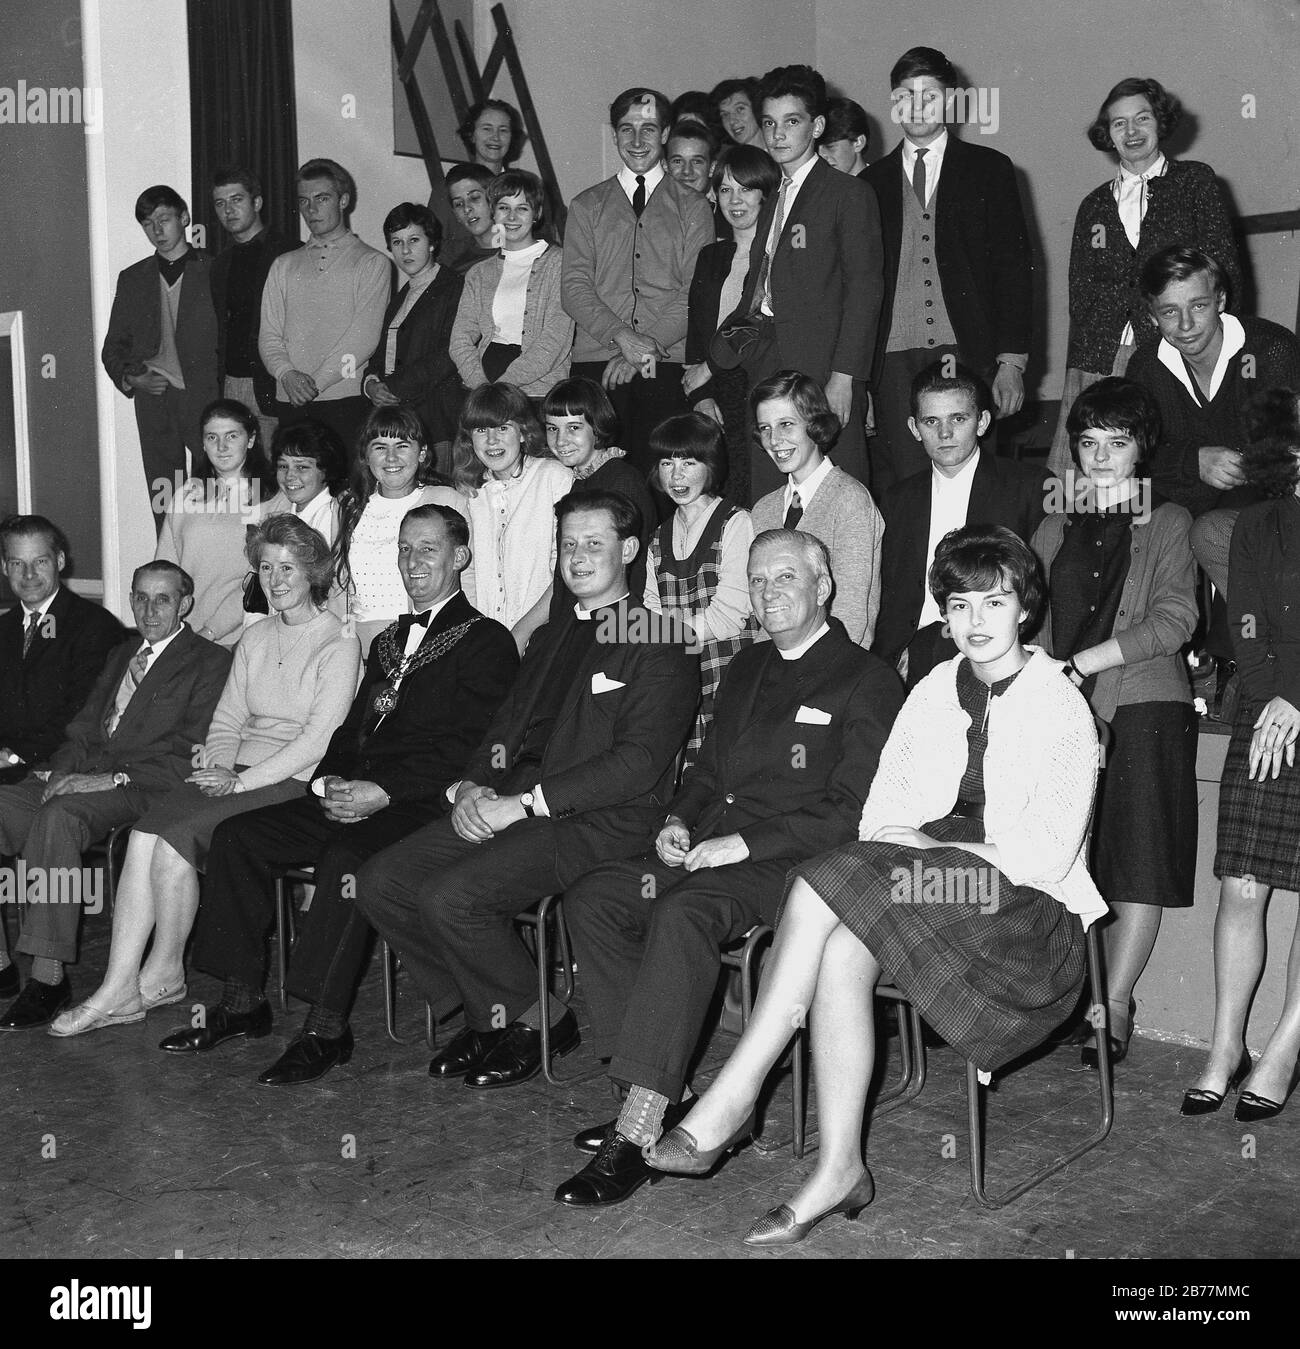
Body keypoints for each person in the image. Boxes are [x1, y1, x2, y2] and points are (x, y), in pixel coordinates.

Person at [645, 526, 1105, 1247]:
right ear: (944, 615)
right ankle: (839, 1167)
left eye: (993, 601)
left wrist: (933, 850)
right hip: (919, 888)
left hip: (1020, 914)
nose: (975, 621)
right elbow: (881, 813)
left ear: (1025, 607)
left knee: (828, 881)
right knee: (840, 947)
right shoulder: (930, 691)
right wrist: (916, 850)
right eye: (958, 605)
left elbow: (1047, 854)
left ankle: (734, 1094)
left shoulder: (1061, 705)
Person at [555, 529, 903, 1207]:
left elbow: (849, 810)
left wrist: (739, 846)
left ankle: (637, 1129)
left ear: (823, 586)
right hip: (709, 846)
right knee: (596, 895)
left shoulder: (866, 679)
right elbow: (706, 772)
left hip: (792, 870)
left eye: (786, 578)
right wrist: (678, 819)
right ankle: (650, 1093)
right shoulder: (746, 666)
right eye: (759, 580)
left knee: (683, 912)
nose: (771, 594)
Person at [157, 505, 519, 1080]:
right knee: (236, 836)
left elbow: (467, 750)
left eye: (429, 548)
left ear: (461, 558)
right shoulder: (388, 642)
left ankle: (326, 1031)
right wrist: (329, 779)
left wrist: (383, 790)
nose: (414, 560)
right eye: (405, 548)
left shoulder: (487, 642)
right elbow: (349, 729)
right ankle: (239, 1003)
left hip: (423, 802)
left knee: (347, 858)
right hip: (354, 791)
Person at [354, 487, 698, 1089]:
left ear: (632, 550)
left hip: (600, 818)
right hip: (514, 802)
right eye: (568, 545)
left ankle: (538, 1019)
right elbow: (506, 728)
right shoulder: (555, 635)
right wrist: (469, 786)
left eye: (595, 543)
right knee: (385, 881)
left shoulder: (658, 635)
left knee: (452, 897)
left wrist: (525, 804)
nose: (579, 557)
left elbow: (638, 763)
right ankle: (493, 1015)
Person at [47, 516, 359, 1037]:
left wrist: (240, 781)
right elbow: (228, 718)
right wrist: (218, 764)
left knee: (171, 841)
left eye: (288, 568)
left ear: (313, 574)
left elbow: (318, 741)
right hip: (231, 771)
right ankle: (124, 982)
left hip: (290, 778)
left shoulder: (338, 641)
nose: (275, 580)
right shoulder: (256, 636)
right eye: (265, 567)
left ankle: (159, 973)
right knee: (146, 832)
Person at [1033, 377, 1198, 1066]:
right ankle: (1069, 1001)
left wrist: (1083, 662)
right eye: (1089, 442)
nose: (1100, 458)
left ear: (1141, 449)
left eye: (1117, 443)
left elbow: (1176, 618)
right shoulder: (1053, 519)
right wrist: (1044, 673)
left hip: (1143, 704)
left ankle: (1117, 1007)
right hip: (1063, 707)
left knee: (1135, 861)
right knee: (1072, 858)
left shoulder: (1169, 520)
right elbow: (1026, 611)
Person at [0, 562, 230, 1027]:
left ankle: (48, 976)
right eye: (140, 597)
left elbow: (192, 751)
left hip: (147, 788)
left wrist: (111, 780)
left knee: (60, 818)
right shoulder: (123, 651)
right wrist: (58, 774)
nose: (149, 609)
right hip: (85, 776)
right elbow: (83, 728)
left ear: (185, 604)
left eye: (162, 599)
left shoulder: (210, 660)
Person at [1181, 413, 1300, 1123]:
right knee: (1244, 883)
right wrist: (1271, 701)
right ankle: (1227, 1047)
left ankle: (1284, 1049)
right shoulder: (1260, 522)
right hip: (1267, 711)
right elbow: (1248, 622)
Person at [1048, 78, 1241, 480]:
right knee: (1091, 474)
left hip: (1172, 348)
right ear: (1108, 134)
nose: (1131, 132)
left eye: (1142, 118)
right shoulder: (1094, 205)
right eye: (1119, 124)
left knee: (1158, 466)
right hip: (1102, 357)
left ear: (1160, 122)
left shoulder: (1195, 182)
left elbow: (1225, 275)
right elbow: (1079, 295)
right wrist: (1080, 368)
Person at [862, 47, 1034, 495]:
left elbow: (1016, 270)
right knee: (907, 486)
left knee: (979, 483)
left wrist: (1011, 361)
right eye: (905, 95)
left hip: (969, 349)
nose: (917, 107)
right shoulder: (868, 185)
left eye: (930, 95)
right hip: (892, 362)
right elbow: (858, 288)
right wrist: (860, 378)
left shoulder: (990, 169)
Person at [712, 64, 883, 496]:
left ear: (817, 125)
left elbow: (865, 292)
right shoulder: (772, 197)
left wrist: (845, 377)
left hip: (824, 366)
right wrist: (727, 347)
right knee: (772, 489)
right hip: (769, 363)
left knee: (834, 490)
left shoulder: (848, 193)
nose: (777, 135)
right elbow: (760, 285)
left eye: (792, 122)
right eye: (769, 123)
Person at [1126, 245, 1300, 598]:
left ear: (1221, 300)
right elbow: (1133, 453)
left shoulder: (1270, 349)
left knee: (1215, 531)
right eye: (1170, 311)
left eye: (1198, 306)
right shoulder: (1145, 366)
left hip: (1268, 498)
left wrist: (1218, 464)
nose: (1186, 325)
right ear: (1151, 317)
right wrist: (1194, 461)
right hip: (1186, 498)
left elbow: (1281, 458)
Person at [562, 87, 715, 480]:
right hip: (598, 363)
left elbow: (694, 292)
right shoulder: (586, 205)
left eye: (648, 129)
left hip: (665, 363)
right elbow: (575, 287)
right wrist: (622, 339)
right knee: (598, 480)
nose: (637, 140)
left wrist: (644, 347)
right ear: (614, 134)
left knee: (662, 478)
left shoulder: (694, 207)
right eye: (626, 128)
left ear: (665, 134)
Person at [874, 362, 1047, 686]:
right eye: (931, 421)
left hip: (996, 652)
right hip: (907, 658)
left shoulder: (1028, 487)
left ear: (981, 422)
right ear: (914, 428)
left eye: (958, 418)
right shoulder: (897, 499)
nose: (944, 433)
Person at [644, 413, 758, 762]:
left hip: (729, 673)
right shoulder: (658, 537)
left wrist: (662, 631)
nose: (676, 476)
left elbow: (728, 618)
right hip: (680, 676)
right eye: (667, 463)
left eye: (689, 463)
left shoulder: (737, 522)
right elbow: (649, 609)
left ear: (711, 466)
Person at [101, 185, 219, 521]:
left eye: (164, 219)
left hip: (206, 399)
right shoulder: (133, 278)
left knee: (213, 495)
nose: (157, 230)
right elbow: (113, 347)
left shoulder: (214, 269)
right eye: (148, 223)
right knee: (164, 498)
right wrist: (134, 377)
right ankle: (168, 569)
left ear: (183, 217)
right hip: (154, 400)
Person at [259, 158, 390, 450]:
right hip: (290, 397)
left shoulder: (372, 262)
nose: (311, 209)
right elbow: (268, 334)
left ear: (343, 200)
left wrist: (315, 383)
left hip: (344, 399)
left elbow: (364, 337)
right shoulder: (283, 265)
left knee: (346, 491)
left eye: (322, 198)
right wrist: (286, 374)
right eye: (304, 201)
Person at [748, 371, 884, 647]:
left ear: (815, 425)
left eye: (786, 424)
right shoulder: (764, 509)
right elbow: (763, 608)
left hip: (835, 667)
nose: (774, 440)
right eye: (765, 428)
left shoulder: (849, 499)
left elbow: (851, 615)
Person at [683, 144, 782, 504]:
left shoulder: (779, 253)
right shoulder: (711, 256)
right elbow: (696, 337)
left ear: (766, 194)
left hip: (762, 385)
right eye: (726, 189)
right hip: (715, 392)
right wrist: (702, 397)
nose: (735, 200)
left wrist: (709, 369)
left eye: (746, 189)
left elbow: (758, 319)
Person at [0, 516, 126, 787]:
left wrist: (14, 755)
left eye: (40, 562)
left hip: (58, 769)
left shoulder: (93, 625)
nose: (29, 574)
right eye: (17, 563)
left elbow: (81, 713)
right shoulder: (4, 627)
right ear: (4, 567)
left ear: (59, 561)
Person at [451, 382, 574, 652]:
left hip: (546, 636)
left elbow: (566, 571)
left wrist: (521, 632)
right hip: (487, 641)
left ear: (522, 432)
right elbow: (467, 575)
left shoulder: (554, 478)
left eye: (503, 428)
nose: (492, 441)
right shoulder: (470, 494)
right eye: (481, 430)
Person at [335, 407, 461, 656]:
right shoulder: (348, 506)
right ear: (366, 456)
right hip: (358, 642)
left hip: (427, 638)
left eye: (402, 446)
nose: (391, 458)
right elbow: (336, 587)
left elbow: (467, 576)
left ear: (422, 453)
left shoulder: (447, 500)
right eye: (380, 447)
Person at [155, 398, 276, 648]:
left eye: (232, 436)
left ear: (250, 440)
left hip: (240, 635)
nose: (221, 447)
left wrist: (211, 632)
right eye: (212, 437)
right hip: (184, 634)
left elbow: (260, 581)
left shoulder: (272, 500)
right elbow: (164, 569)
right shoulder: (187, 493)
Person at [449, 170, 573, 399]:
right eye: (504, 207)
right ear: (493, 213)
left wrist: (503, 388)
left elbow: (555, 340)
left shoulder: (560, 263)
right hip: (482, 387)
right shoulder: (479, 273)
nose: (512, 217)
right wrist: (481, 386)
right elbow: (459, 340)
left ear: (537, 213)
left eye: (522, 208)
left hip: (537, 391)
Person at [363, 202, 466, 475]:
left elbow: (449, 353)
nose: (405, 250)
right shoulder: (402, 295)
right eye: (396, 242)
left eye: (414, 240)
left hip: (436, 424)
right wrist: (371, 383)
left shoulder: (453, 286)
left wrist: (394, 387)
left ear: (432, 243)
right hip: (400, 422)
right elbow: (382, 352)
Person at [541, 377, 655, 622]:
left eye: (573, 427)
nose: (560, 441)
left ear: (598, 426)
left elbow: (632, 575)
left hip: (612, 626)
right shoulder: (580, 483)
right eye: (553, 428)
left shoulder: (620, 481)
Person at [209, 165, 298, 452]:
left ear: (256, 202)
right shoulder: (220, 263)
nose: (228, 210)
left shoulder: (290, 252)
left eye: (237, 200)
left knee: (280, 472)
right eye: (220, 204)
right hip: (232, 382)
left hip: (275, 381)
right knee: (239, 478)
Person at [259, 419, 346, 547]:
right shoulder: (284, 516)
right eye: (283, 466)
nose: (289, 475)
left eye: (301, 467)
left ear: (325, 470)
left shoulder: (333, 519)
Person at [441, 164, 499, 276]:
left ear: (494, 199)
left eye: (474, 198)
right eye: (458, 204)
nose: (466, 209)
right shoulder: (459, 270)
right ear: (456, 215)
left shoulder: (524, 250)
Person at [458, 98, 524, 177]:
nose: (496, 137)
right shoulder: (458, 184)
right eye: (487, 129)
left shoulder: (522, 185)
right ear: (471, 135)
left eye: (503, 130)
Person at [666, 120, 719, 200]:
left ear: (712, 168)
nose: (686, 171)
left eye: (696, 162)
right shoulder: (647, 208)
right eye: (678, 161)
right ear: (665, 166)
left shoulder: (727, 210)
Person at [818, 97, 871, 177]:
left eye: (830, 147)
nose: (821, 155)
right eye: (815, 148)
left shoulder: (880, 187)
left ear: (858, 142)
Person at [711, 78, 766, 148]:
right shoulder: (727, 158)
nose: (732, 121)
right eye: (725, 114)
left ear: (757, 108)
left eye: (740, 109)